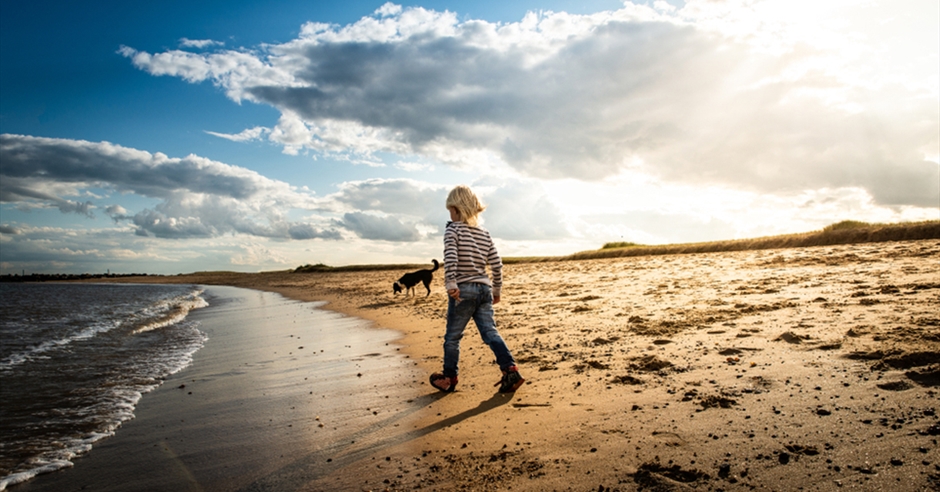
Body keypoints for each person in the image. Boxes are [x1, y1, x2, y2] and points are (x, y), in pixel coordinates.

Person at [429, 185, 525, 394]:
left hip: (464, 290)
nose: (450, 215)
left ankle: (449, 378)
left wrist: (451, 283)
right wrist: (497, 290)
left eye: (450, 211)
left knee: (452, 338)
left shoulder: (453, 229)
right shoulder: (484, 233)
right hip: (484, 289)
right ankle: (510, 369)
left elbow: (451, 257)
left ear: (457, 208)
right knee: (490, 332)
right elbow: (497, 264)